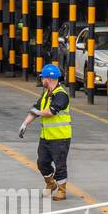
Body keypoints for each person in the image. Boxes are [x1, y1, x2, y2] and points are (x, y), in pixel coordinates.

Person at [19, 63, 72, 201]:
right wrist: (25, 124)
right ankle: (50, 183)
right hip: (46, 137)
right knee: (42, 162)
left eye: (43, 78)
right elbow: (36, 109)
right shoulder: (45, 95)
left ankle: (62, 190)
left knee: (60, 164)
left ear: (48, 79)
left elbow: (51, 112)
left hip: (61, 137)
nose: (42, 81)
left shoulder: (61, 95)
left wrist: (37, 112)